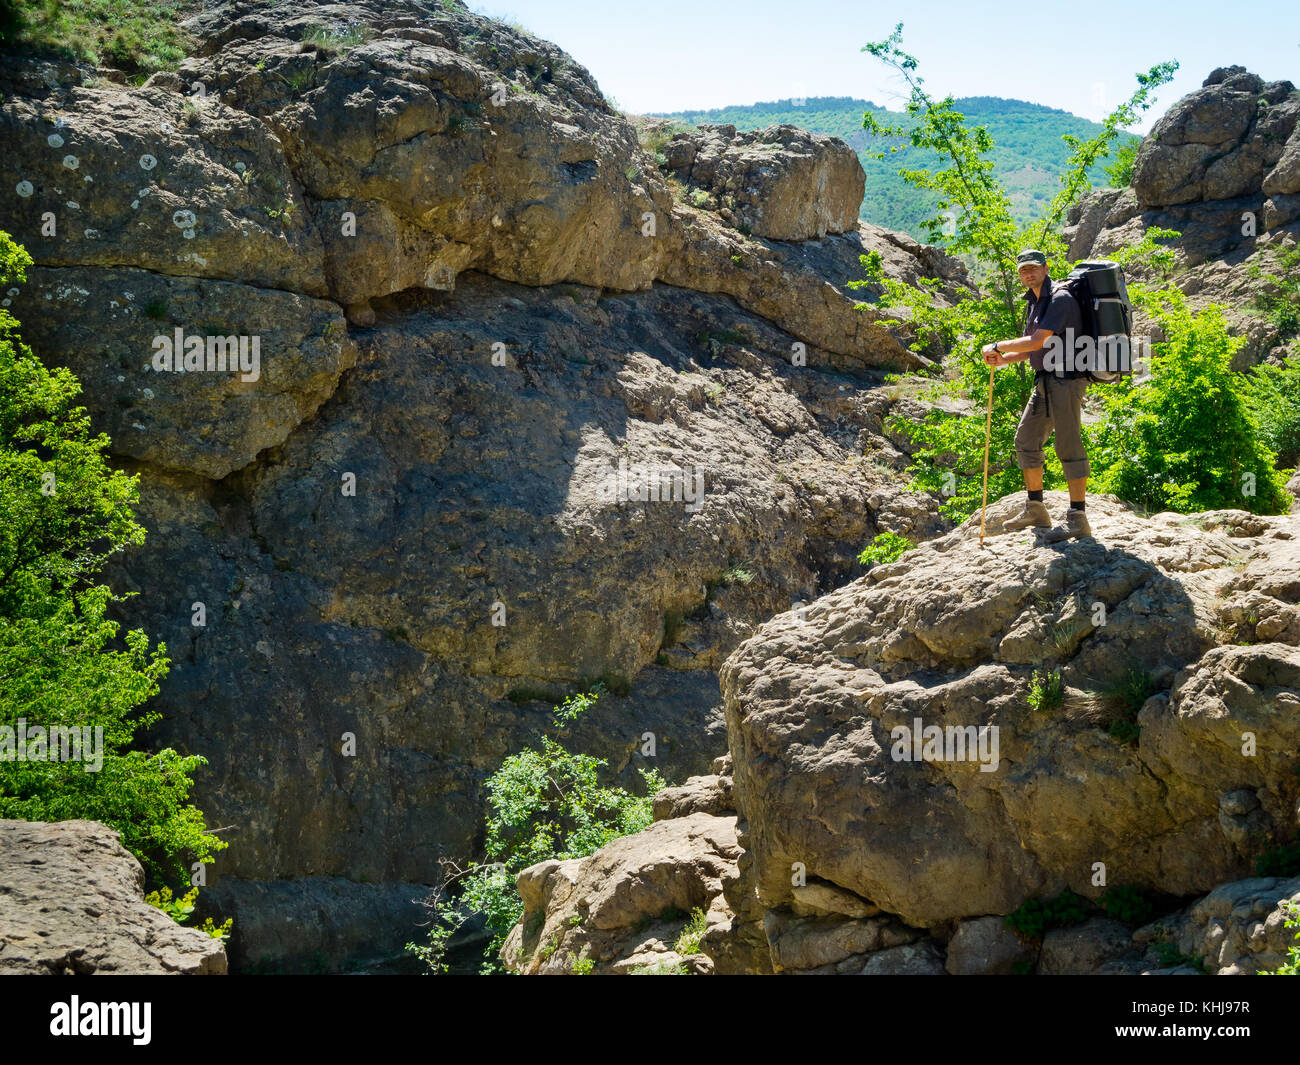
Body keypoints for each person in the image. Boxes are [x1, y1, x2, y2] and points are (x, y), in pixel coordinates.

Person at [981, 249, 1091, 540]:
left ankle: (1078, 518)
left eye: (1033, 268)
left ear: (1045, 268)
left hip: (1067, 380)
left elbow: (1038, 340)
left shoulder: (1060, 299)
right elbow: (1036, 348)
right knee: (1026, 440)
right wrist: (1004, 359)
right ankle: (1036, 510)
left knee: (1068, 445)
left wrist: (998, 345)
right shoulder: (1033, 301)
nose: (1028, 273)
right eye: (1023, 270)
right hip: (1046, 379)